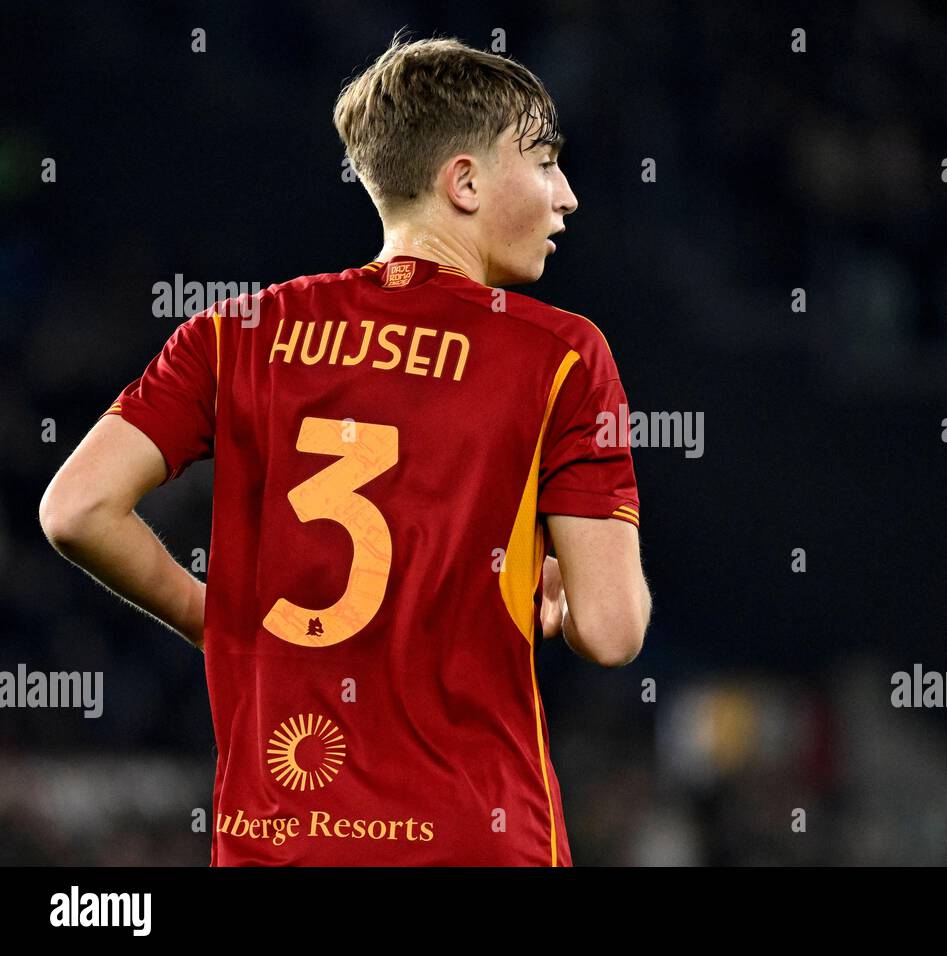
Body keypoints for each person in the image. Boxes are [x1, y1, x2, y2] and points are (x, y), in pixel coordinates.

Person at [38, 33, 651, 866]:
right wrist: (569, 609)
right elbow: (613, 634)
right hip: (474, 837)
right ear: (464, 182)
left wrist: (214, 620)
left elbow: (75, 510)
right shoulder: (563, 356)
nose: (568, 196)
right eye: (544, 163)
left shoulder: (235, 332)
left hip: (277, 841)